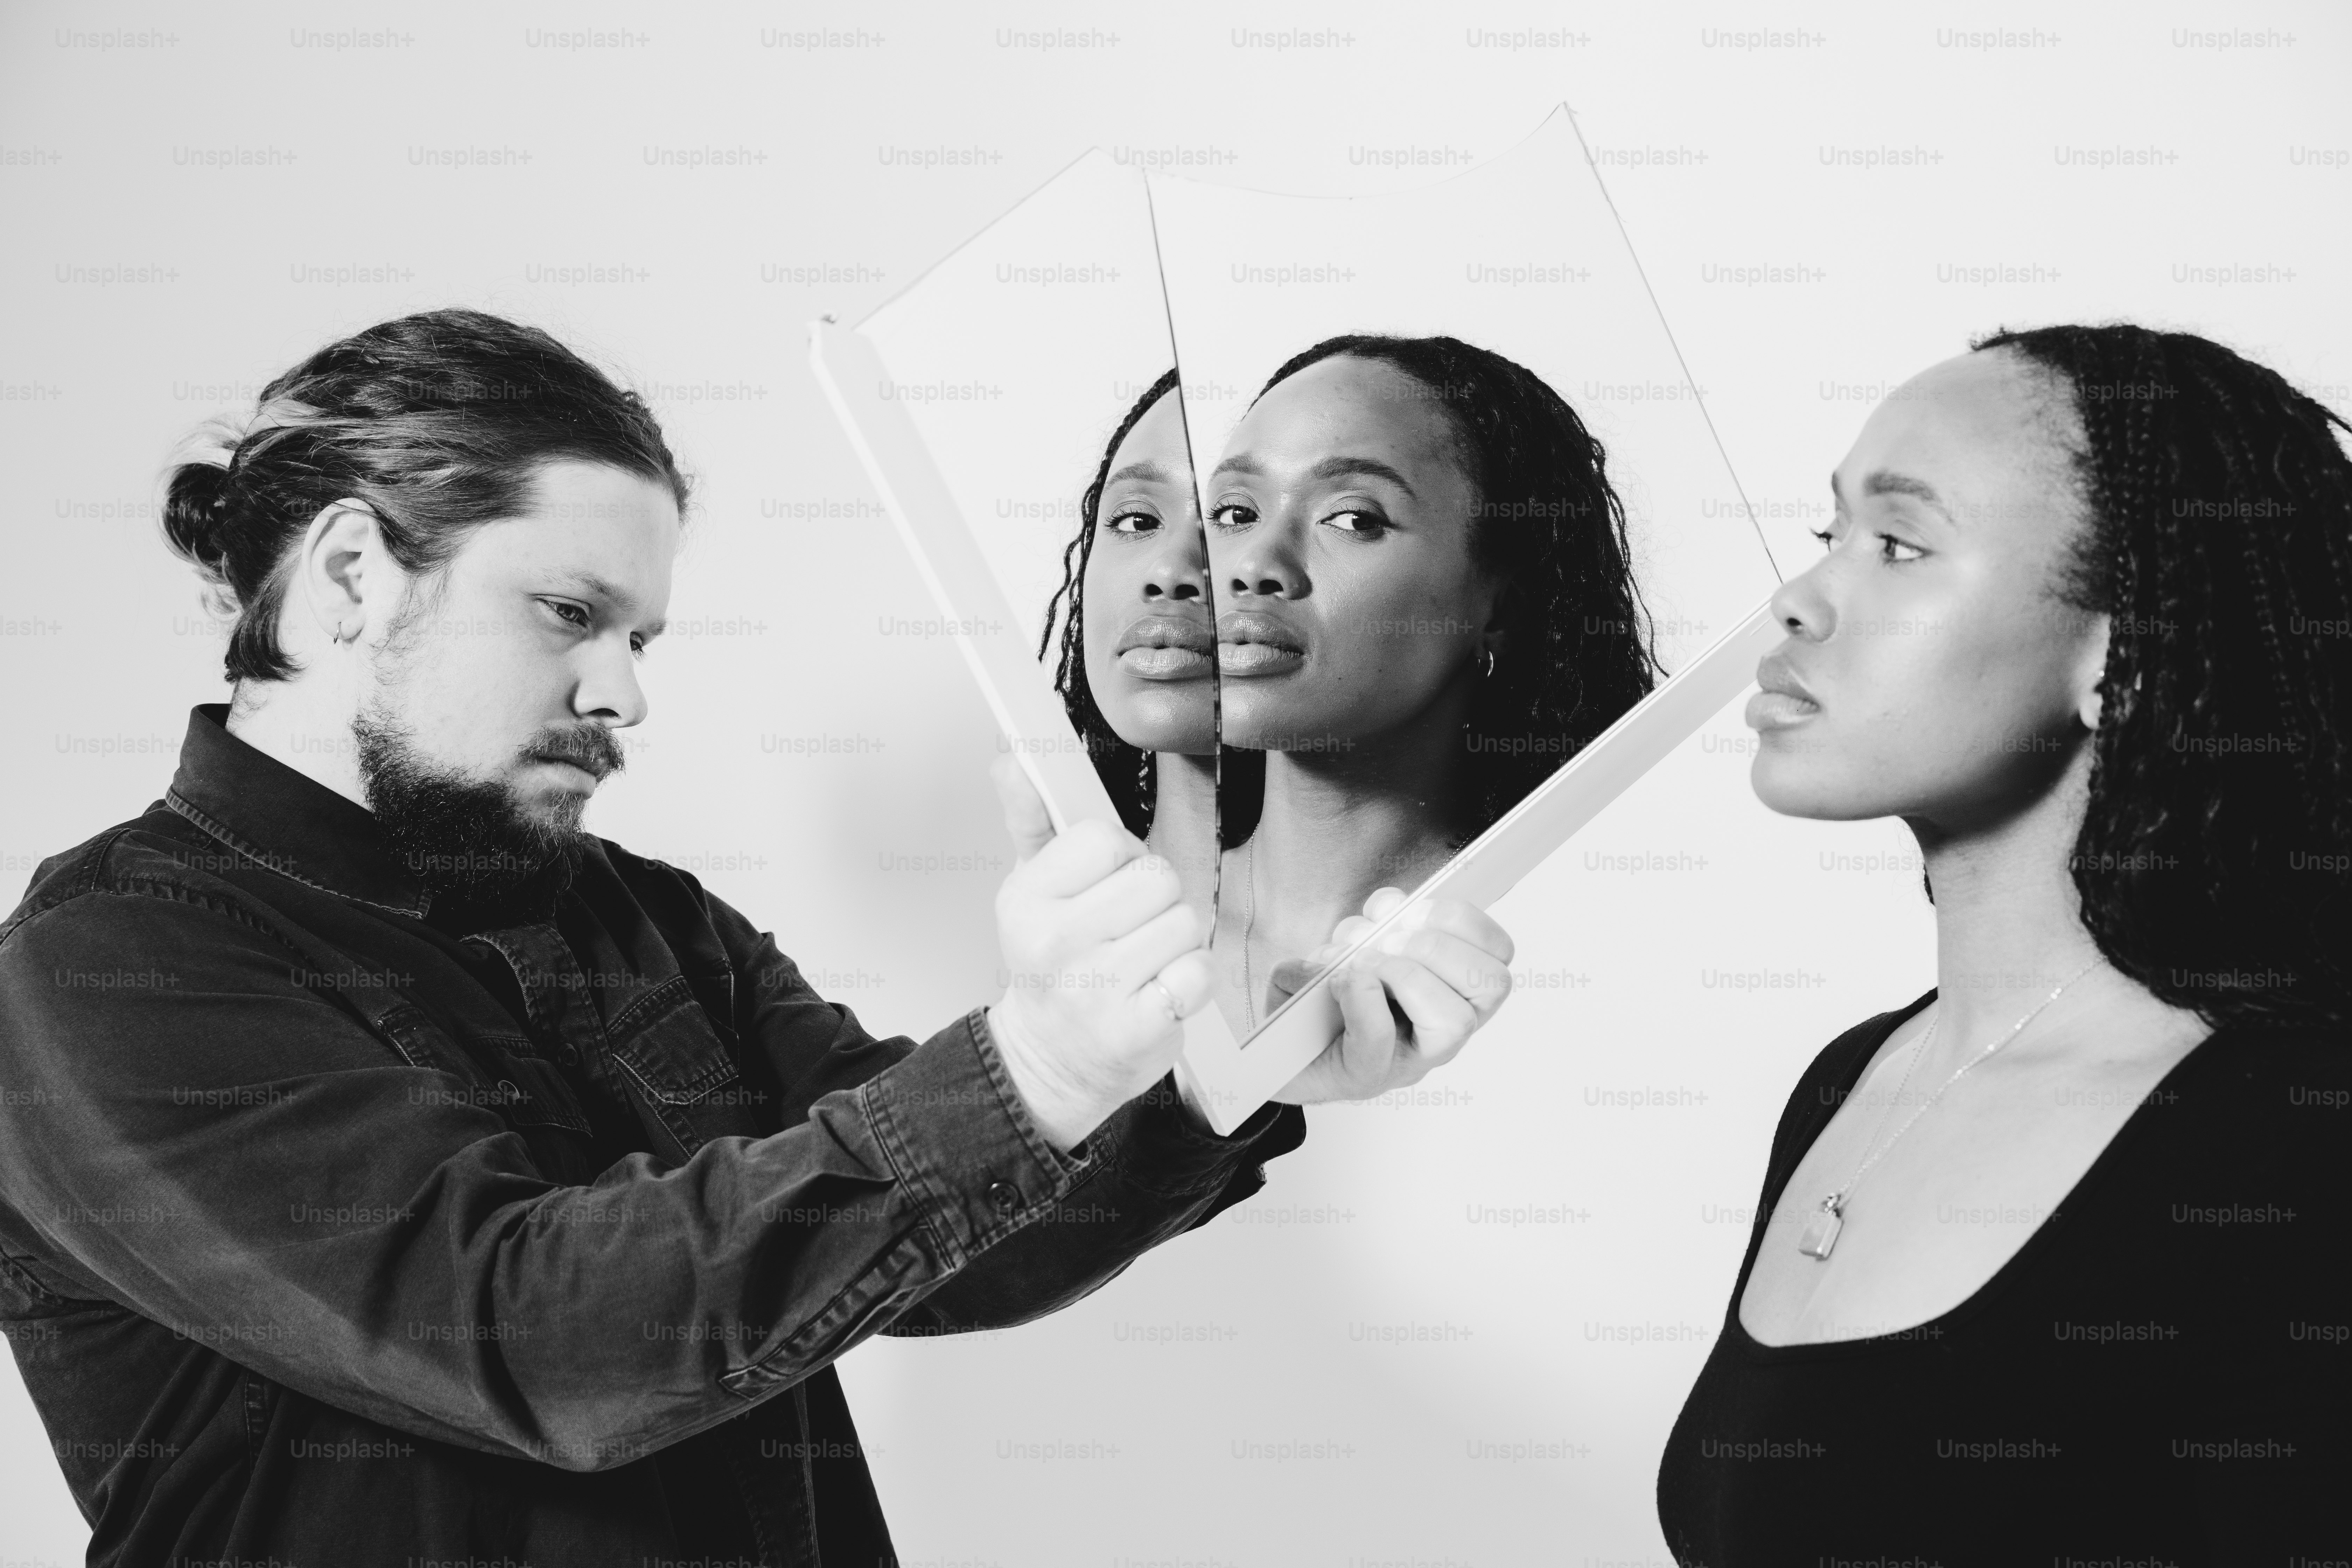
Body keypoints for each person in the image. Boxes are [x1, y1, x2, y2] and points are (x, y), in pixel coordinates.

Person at [0, 309, 1518, 1567]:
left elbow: (940, 1249)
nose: (626, 695)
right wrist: (1035, 1062)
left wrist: (1218, 1076)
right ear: (349, 578)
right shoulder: (104, 967)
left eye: (641, 638)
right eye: (569, 613)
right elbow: (534, 1342)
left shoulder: (645, 914)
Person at [1657, 324, 2351, 1559]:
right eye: (1832, 539)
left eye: (1900, 545)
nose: (1801, 596)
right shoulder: (1848, 1085)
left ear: (2119, 654)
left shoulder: (2295, 1145)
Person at [1202, 333, 1655, 1029]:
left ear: (1499, 607)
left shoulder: (1579, 963)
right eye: (1236, 512)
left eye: (1353, 518)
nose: (1254, 562)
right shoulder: (1108, 928)